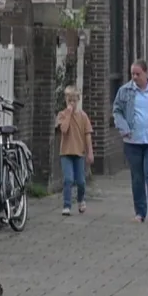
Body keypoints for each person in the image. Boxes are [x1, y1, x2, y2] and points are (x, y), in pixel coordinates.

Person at [113, 60, 148, 224]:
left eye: (138, 74)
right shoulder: (125, 91)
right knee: (137, 177)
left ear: (146, 73)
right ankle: (140, 212)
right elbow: (117, 111)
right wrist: (123, 127)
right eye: (132, 74)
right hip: (133, 141)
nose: (135, 77)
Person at [56, 86, 93, 216]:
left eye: (74, 100)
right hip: (66, 152)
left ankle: (81, 199)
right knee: (68, 179)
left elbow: (87, 134)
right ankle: (66, 205)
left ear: (78, 100)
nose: (71, 103)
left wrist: (90, 152)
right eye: (69, 100)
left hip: (79, 153)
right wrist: (68, 114)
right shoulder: (62, 115)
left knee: (81, 181)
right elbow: (64, 129)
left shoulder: (83, 116)